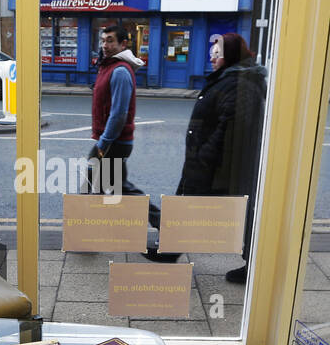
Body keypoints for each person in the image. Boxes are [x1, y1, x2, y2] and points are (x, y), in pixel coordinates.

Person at [144, 33, 266, 284]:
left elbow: (231, 127)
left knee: (239, 215)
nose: (212, 55)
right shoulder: (231, 77)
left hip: (217, 166)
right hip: (209, 162)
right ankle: (170, 250)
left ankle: (255, 266)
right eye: (212, 50)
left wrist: (203, 156)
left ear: (231, 53)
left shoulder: (240, 82)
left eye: (218, 51)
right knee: (188, 205)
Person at [84, 24, 143, 195]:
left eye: (110, 41)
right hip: (113, 142)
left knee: (91, 186)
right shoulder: (107, 66)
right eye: (103, 40)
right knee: (120, 189)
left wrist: (103, 143)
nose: (105, 45)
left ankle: (157, 217)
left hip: (113, 142)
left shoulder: (120, 71)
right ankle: (156, 218)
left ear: (123, 44)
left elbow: (119, 114)